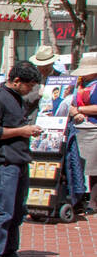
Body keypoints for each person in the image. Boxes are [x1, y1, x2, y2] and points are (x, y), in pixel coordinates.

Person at [0, 60, 43, 257]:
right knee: (3, 210)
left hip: (19, 159)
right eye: (29, 85)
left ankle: (8, 254)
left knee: (17, 211)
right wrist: (22, 131)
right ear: (17, 81)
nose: (31, 90)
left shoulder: (16, 97)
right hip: (4, 162)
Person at [57, 52, 97, 211]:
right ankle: (77, 199)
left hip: (93, 128)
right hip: (76, 128)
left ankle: (93, 202)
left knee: (94, 167)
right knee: (76, 164)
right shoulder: (78, 84)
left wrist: (78, 109)